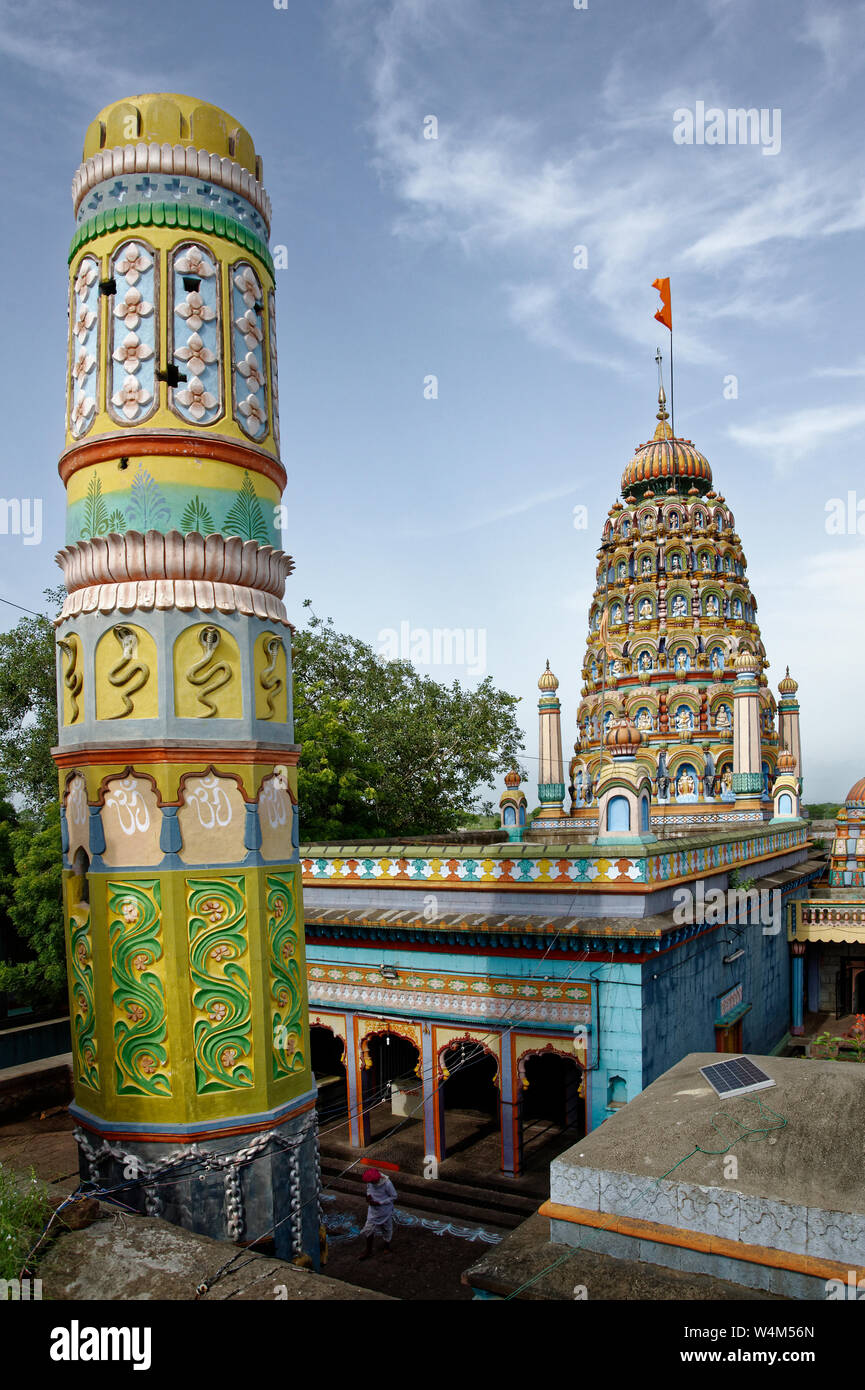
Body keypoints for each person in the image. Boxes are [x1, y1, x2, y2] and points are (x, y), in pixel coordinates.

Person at [358, 1168, 397, 1259]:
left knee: (387, 1228)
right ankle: (368, 1250)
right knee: (368, 1229)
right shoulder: (370, 1182)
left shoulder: (387, 1184)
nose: (371, 1183)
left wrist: (380, 1202)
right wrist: (369, 1197)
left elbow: (394, 1196)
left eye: (373, 1182)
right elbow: (369, 1189)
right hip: (373, 1210)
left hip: (385, 1210)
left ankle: (387, 1245)